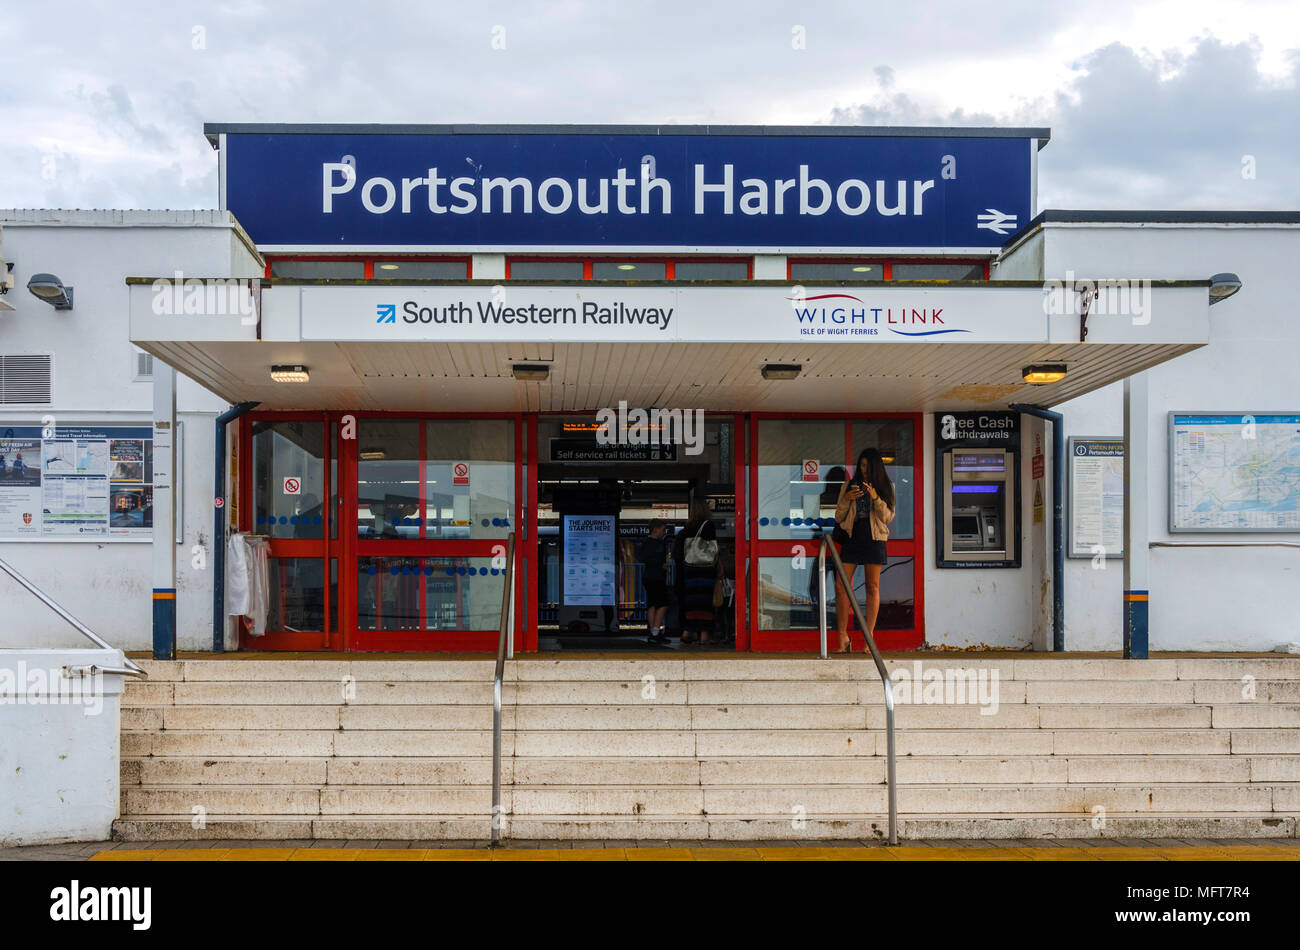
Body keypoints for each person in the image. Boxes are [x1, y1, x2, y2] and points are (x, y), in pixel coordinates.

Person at [832, 448, 895, 653]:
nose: (863, 469)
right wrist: (847, 498)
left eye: (867, 466)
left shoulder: (886, 486)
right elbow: (838, 517)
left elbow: (887, 518)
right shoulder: (849, 486)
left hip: (874, 538)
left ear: (876, 467)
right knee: (841, 586)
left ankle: (869, 638)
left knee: (872, 587)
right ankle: (843, 637)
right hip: (853, 535)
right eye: (861, 465)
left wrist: (876, 497)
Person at [673, 500, 718, 645]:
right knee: (705, 602)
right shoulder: (708, 526)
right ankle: (704, 636)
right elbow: (713, 549)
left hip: (689, 570)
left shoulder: (686, 529)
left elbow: (677, 553)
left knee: (692, 602)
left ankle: (687, 632)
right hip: (706, 570)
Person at [639, 519, 671, 643]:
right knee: (663, 604)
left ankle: (653, 632)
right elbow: (647, 558)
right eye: (663, 529)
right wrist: (661, 565)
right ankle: (656, 631)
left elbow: (643, 557)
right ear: (655, 529)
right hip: (656, 577)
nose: (664, 532)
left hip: (648, 577)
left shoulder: (647, 542)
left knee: (652, 604)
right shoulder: (655, 543)